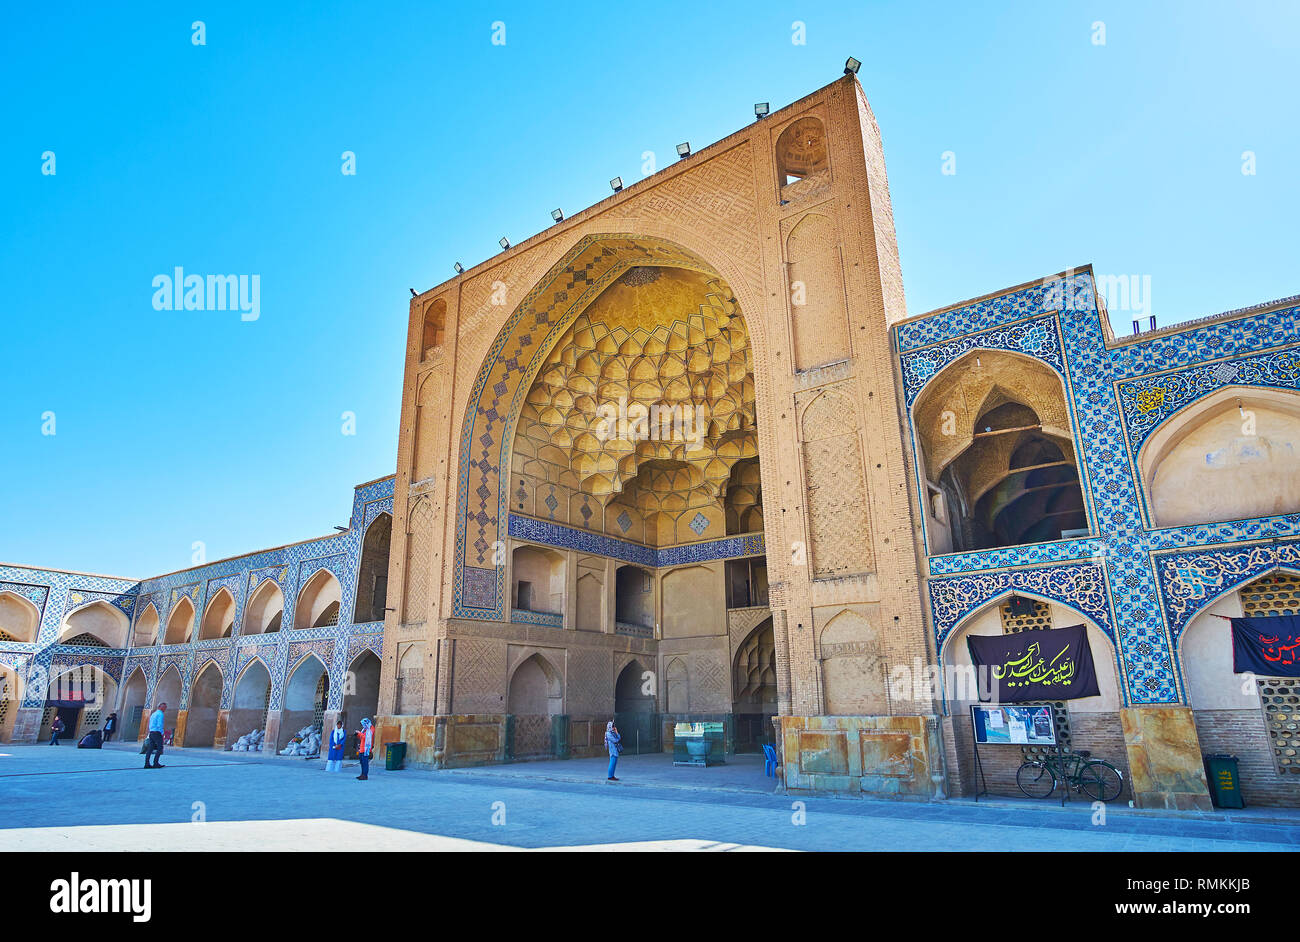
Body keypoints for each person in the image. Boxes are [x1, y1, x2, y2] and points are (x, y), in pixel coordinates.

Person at [143, 702, 166, 769]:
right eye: (164, 707)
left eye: (165, 707)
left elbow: (150, 723)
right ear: (159, 707)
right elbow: (159, 724)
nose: (165, 709)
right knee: (160, 748)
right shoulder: (160, 714)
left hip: (152, 732)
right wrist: (162, 733)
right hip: (157, 733)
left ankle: (147, 763)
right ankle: (155, 763)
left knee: (150, 748)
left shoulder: (154, 714)